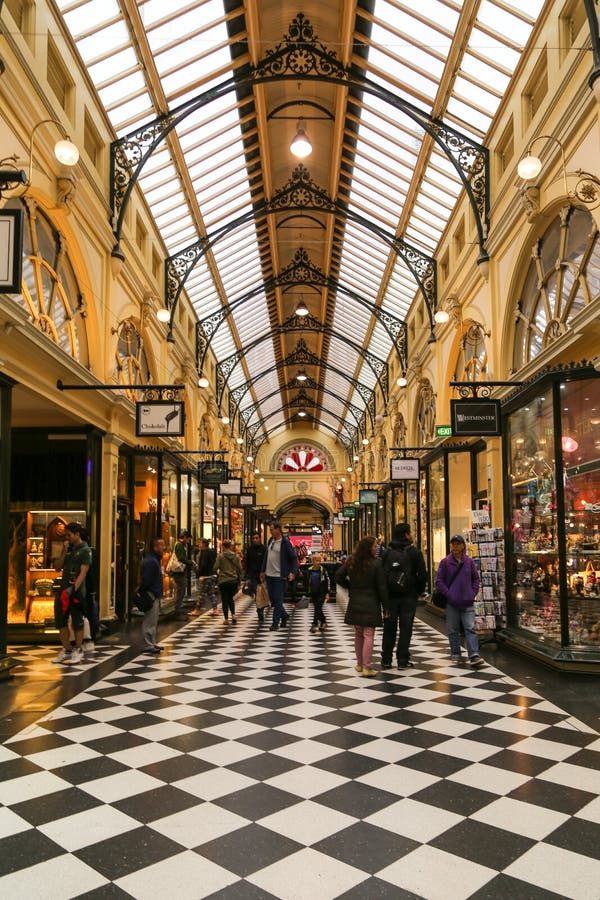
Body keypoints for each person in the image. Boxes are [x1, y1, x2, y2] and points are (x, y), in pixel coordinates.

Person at [336, 535, 387, 677]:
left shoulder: (352, 561)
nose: (376, 548)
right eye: (375, 546)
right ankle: (367, 667)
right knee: (368, 634)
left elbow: (338, 576)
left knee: (358, 634)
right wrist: (386, 606)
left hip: (355, 601)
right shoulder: (376, 564)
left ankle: (359, 664)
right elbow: (382, 587)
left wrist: (350, 586)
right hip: (371, 602)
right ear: (368, 548)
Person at [381, 523, 427, 670]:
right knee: (406, 628)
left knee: (389, 628)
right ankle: (402, 660)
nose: (411, 535)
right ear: (406, 535)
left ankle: (386, 659)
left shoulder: (386, 553)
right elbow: (422, 575)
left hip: (390, 597)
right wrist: (417, 591)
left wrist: (383, 595)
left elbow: (381, 575)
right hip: (408, 596)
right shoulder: (414, 552)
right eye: (410, 532)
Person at [435, 534, 485, 668]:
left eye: (458, 544)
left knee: (470, 628)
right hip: (452, 603)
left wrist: (472, 593)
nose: (455, 546)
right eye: (453, 544)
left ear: (463, 546)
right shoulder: (445, 562)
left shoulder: (469, 561)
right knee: (453, 629)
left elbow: (476, 579)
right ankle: (456, 653)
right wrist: (449, 594)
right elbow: (439, 581)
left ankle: (474, 655)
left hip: (467, 602)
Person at [52, 522, 92, 665]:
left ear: (77, 534)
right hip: (63, 590)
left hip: (76, 592)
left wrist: (73, 590)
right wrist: (64, 551)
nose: (67, 538)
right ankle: (67, 649)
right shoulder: (69, 550)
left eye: (69, 535)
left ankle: (78, 649)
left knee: (77, 621)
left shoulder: (85, 550)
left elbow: (83, 573)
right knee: (60, 620)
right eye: (66, 536)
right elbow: (57, 567)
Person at [260, 521, 298, 631]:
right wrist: (263, 570)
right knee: (273, 599)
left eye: (272, 529)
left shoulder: (285, 542)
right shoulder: (270, 540)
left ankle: (275, 623)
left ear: (278, 529)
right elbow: (266, 556)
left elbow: (293, 558)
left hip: (279, 576)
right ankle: (284, 616)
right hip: (269, 575)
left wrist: (293, 572)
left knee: (278, 599)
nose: (270, 531)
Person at [137, 536, 165, 654]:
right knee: (150, 620)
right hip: (151, 593)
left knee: (153, 620)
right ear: (155, 547)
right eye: (161, 545)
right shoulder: (151, 561)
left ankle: (152, 642)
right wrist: (142, 589)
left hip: (155, 593)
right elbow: (146, 579)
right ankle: (148, 644)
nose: (164, 547)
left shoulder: (154, 560)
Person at [214, 539, 242, 623]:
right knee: (230, 598)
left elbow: (215, 567)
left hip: (223, 580)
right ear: (230, 546)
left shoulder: (220, 556)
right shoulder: (236, 556)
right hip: (233, 580)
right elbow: (240, 568)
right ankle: (233, 615)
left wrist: (219, 572)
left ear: (223, 546)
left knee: (224, 600)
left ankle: (226, 619)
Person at [169, 530, 195, 621]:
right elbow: (180, 557)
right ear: (184, 537)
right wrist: (190, 562)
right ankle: (177, 611)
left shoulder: (180, 545)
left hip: (180, 571)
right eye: (188, 539)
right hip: (178, 572)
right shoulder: (179, 545)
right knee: (180, 591)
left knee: (181, 590)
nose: (188, 541)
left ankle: (178, 610)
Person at [244, 531, 267, 622]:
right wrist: (247, 574)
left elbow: (266, 561)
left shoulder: (264, 549)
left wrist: (264, 572)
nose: (255, 540)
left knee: (262, 594)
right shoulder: (249, 549)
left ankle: (260, 609)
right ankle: (259, 610)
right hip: (253, 575)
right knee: (257, 593)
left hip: (262, 575)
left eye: (257, 538)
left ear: (260, 538)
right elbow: (247, 562)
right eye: (253, 538)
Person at [192, 537, 217, 616]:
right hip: (212, 575)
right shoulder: (211, 552)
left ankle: (197, 610)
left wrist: (199, 573)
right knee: (211, 593)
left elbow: (203, 565)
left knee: (201, 594)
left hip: (205, 576)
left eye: (199, 543)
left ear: (203, 544)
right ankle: (215, 609)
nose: (198, 544)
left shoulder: (204, 553)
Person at [308, 554, 330, 633]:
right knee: (318, 608)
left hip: (321, 593)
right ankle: (323, 621)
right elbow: (307, 582)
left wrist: (327, 593)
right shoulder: (309, 570)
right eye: (317, 561)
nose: (318, 562)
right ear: (312, 561)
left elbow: (328, 581)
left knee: (317, 607)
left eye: (319, 561)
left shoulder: (323, 570)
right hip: (313, 593)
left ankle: (314, 624)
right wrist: (307, 592)